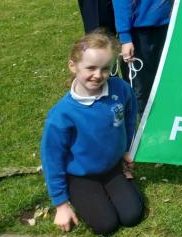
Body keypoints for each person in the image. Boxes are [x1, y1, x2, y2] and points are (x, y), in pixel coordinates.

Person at [40, 30, 143, 235]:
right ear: (73, 66)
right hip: (81, 176)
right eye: (91, 68)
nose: (98, 75)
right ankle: (79, 192)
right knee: (107, 225)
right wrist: (61, 204)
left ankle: (119, 180)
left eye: (105, 68)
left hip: (112, 167)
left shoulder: (119, 89)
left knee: (132, 216)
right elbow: (52, 160)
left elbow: (129, 116)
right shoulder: (61, 115)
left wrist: (125, 149)